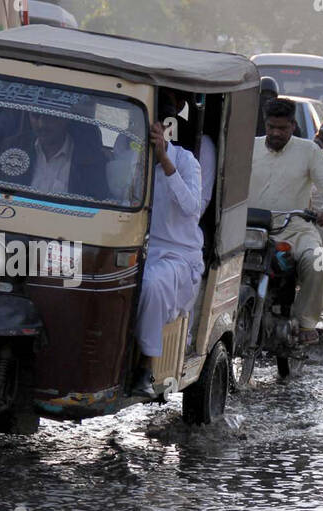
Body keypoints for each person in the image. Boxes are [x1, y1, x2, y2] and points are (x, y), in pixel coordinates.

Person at [130, 90, 206, 397]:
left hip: (178, 255)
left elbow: (191, 208)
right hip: (137, 246)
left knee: (151, 284)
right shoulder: (132, 157)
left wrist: (164, 161)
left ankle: (145, 367)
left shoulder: (186, 162)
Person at [249, 98, 323, 346]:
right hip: (252, 229)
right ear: (265, 125)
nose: (276, 133)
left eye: (282, 128)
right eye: (271, 127)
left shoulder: (308, 150)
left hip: (295, 227)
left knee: (318, 260)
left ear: (293, 126)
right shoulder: (249, 147)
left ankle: (307, 321)